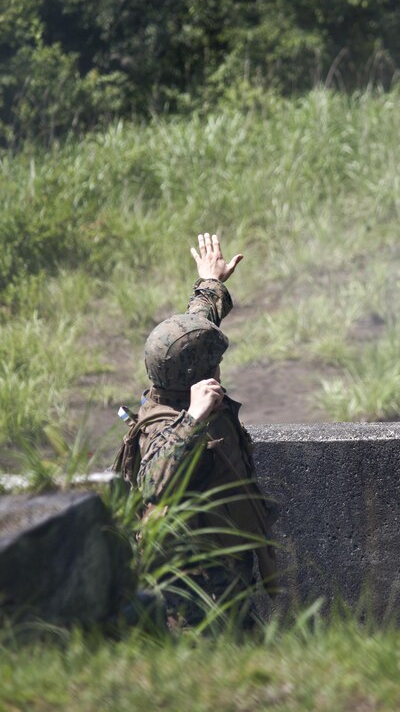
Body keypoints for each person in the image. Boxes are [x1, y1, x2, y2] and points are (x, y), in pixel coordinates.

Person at [114, 232, 278, 629]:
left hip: (227, 572)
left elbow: (197, 325)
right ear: (197, 376)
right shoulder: (163, 424)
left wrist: (211, 281)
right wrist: (193, 420)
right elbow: (153, 481)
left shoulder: (176, 372)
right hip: (190, 586)